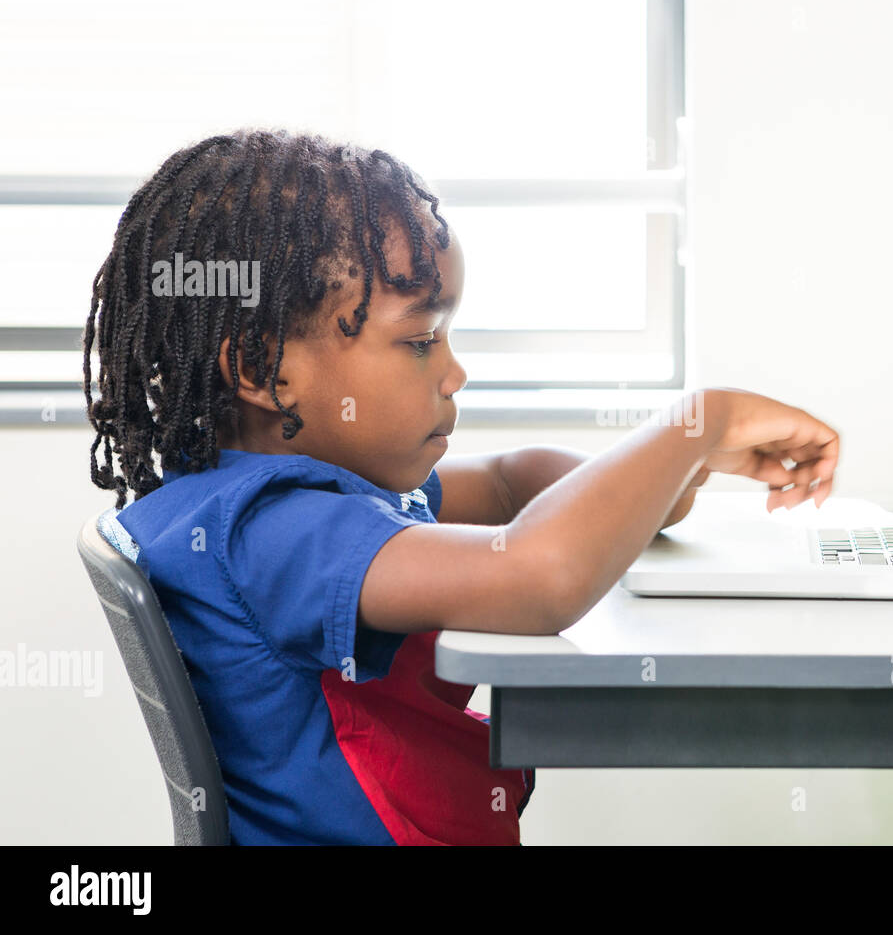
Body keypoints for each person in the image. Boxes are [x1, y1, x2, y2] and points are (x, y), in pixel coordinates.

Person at [84, 129, 840, 844]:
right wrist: (700, 421)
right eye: (418, 341)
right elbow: (538, 576)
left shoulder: (303, 493)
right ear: (260, 368)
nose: (454, 372)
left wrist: (674, 468)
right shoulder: (275, 532)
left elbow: (518, 484)